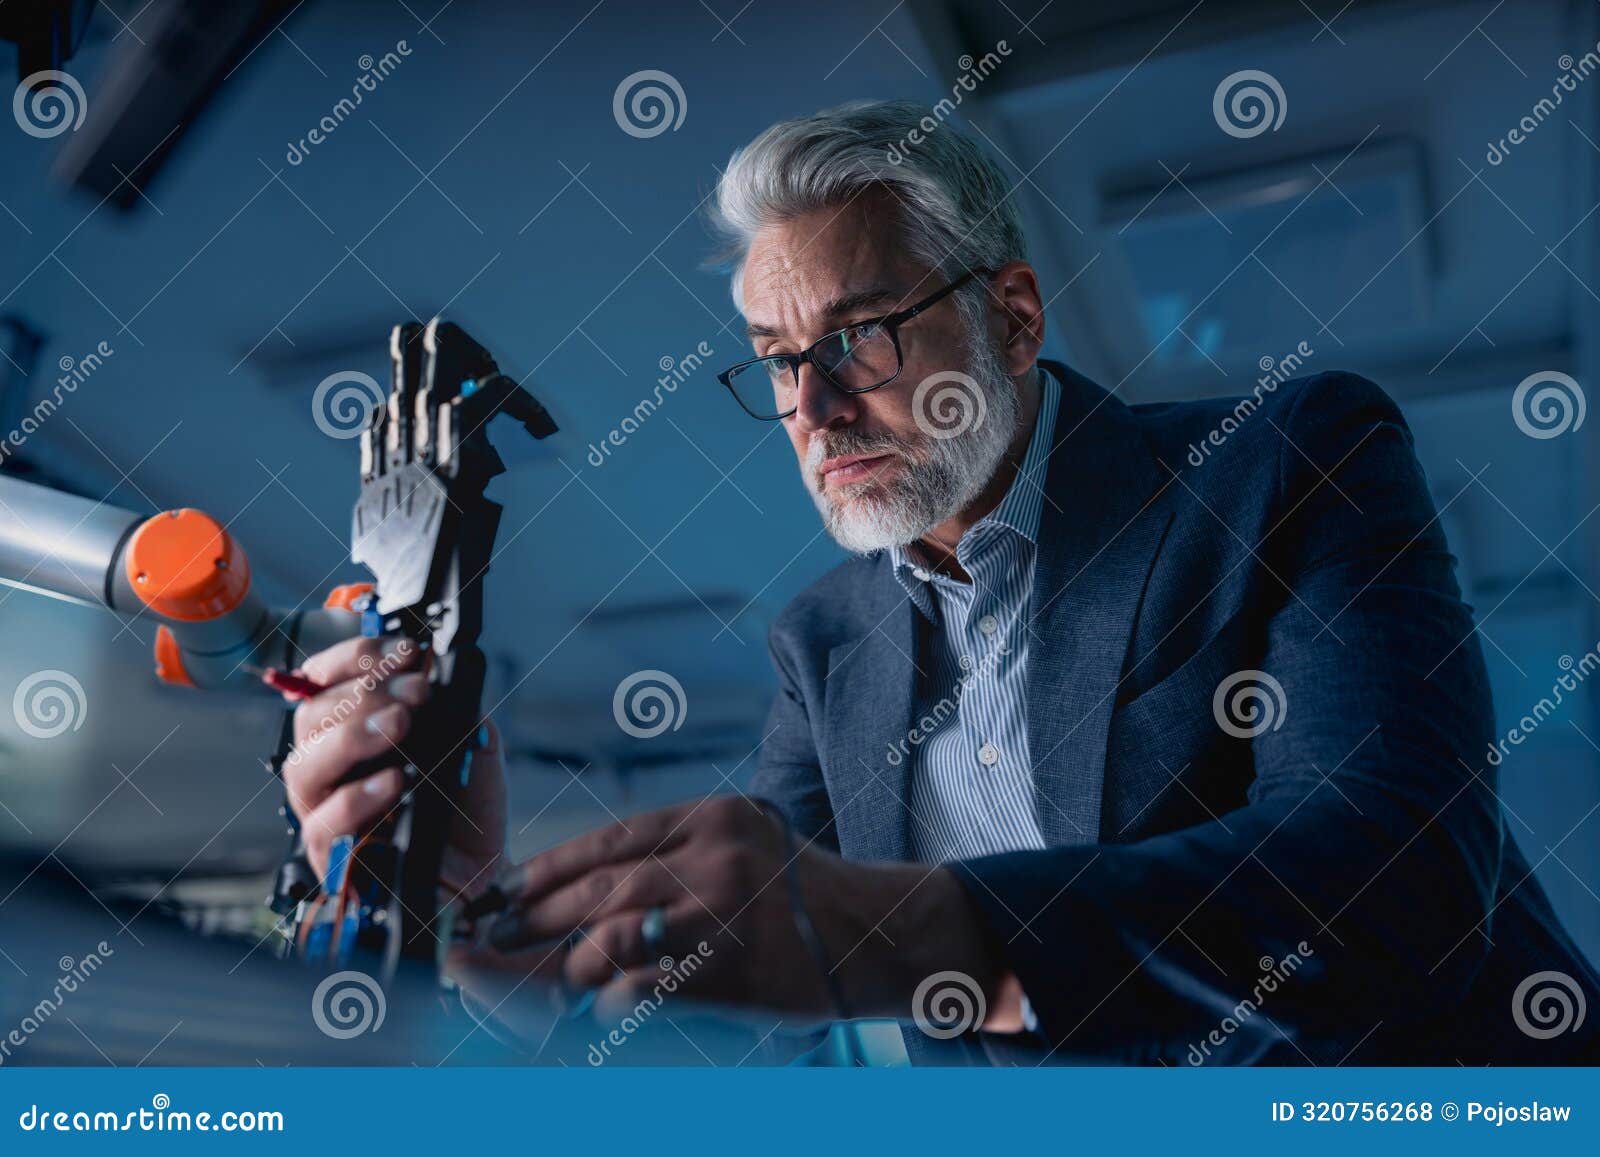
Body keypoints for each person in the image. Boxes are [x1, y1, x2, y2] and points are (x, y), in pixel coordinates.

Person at [282, 100, 1598, 1064]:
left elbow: (1400, 884)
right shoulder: (826, 642)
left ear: (1012, 318)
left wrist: (896, 929)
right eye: (776, 359)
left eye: (857, 335)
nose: (812, 402)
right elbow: (747, 1000)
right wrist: (476, 906)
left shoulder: (1284, 462)